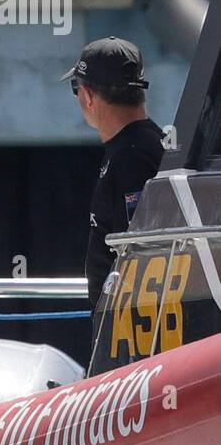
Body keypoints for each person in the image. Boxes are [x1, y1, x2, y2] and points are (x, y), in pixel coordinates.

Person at [61, 37, 164, 336]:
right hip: (131, 332)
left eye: (76, 89)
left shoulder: (131, 157)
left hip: (133, 338)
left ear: (88, 96)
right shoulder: (143, 146)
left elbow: (141, 254)